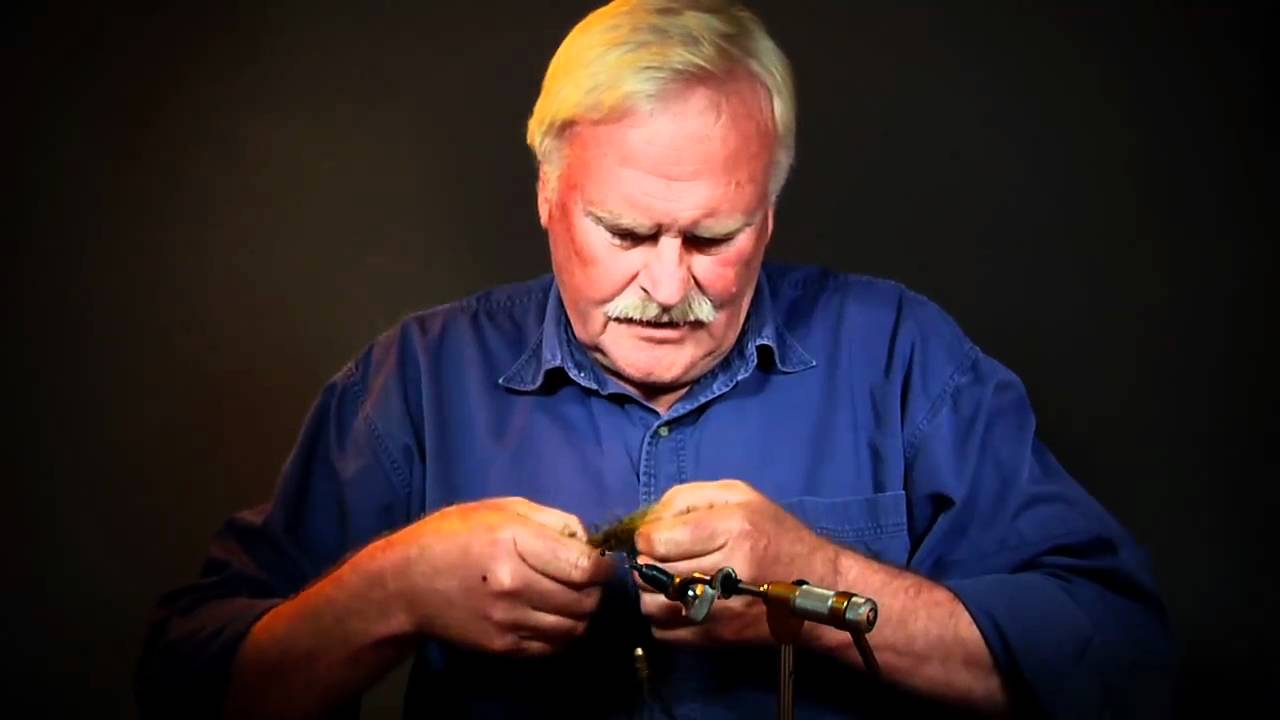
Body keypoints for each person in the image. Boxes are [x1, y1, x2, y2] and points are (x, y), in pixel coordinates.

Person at [135, 1, 1175, 718]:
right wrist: (391, 593)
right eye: (626, 234)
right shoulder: (413, 381)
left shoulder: (904, 356)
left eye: (713, 237)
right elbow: (188, 687)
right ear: (548, 198)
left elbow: (1120, 662)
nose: (669, 285)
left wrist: (818, 586)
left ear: (767, 217)